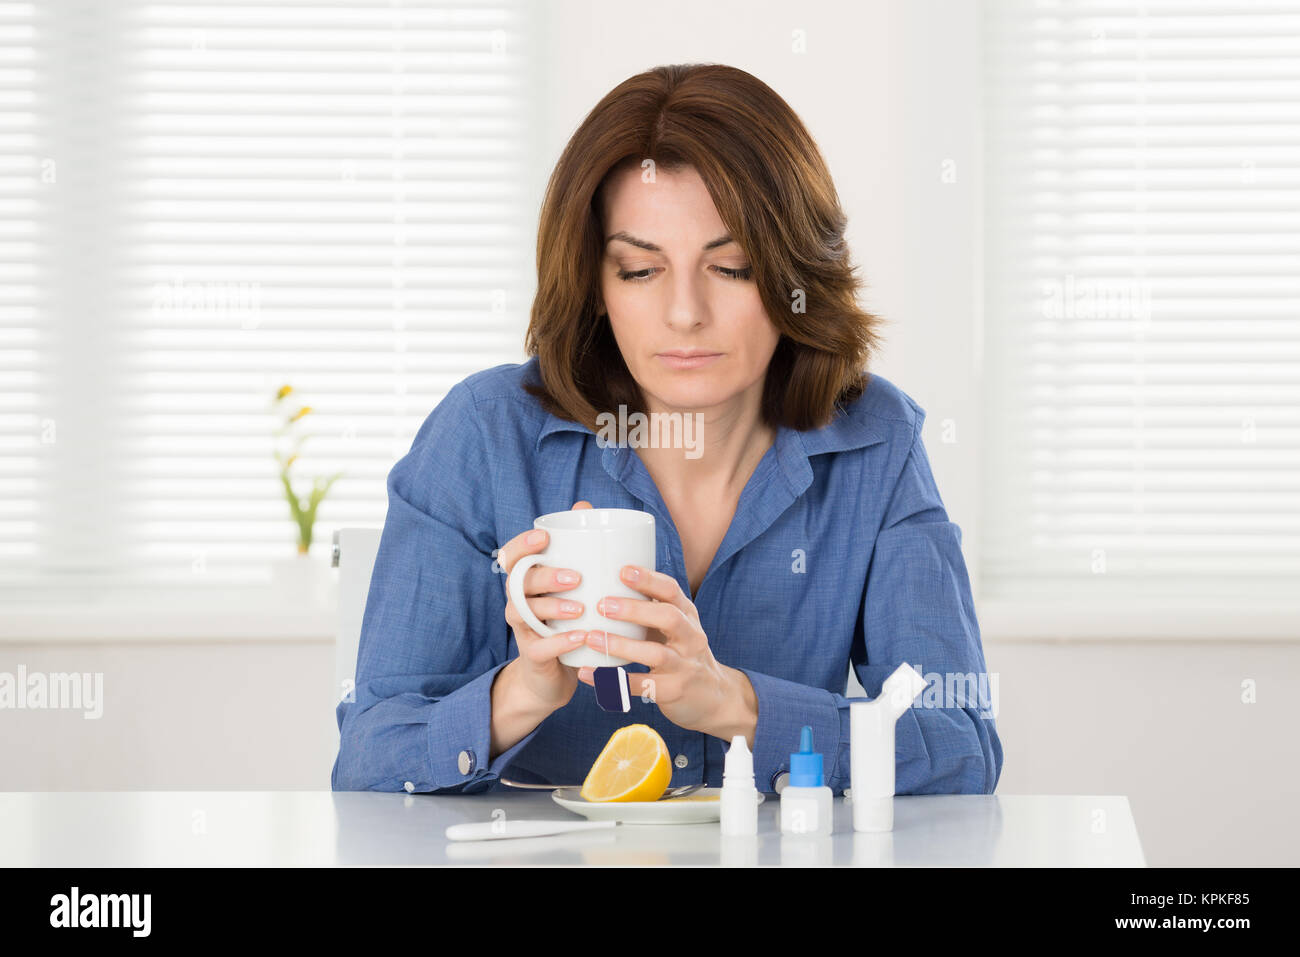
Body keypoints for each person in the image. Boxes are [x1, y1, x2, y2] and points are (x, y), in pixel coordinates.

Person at [332, 63, 1002, 796]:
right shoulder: (486, 434)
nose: (685, 313)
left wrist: (737, 704)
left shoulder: (876, 440)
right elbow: (368, 758)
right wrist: (525, 689)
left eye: (733, 267)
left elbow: (962, 743)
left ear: (794, 275)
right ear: (594, 282)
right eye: (640, 270)